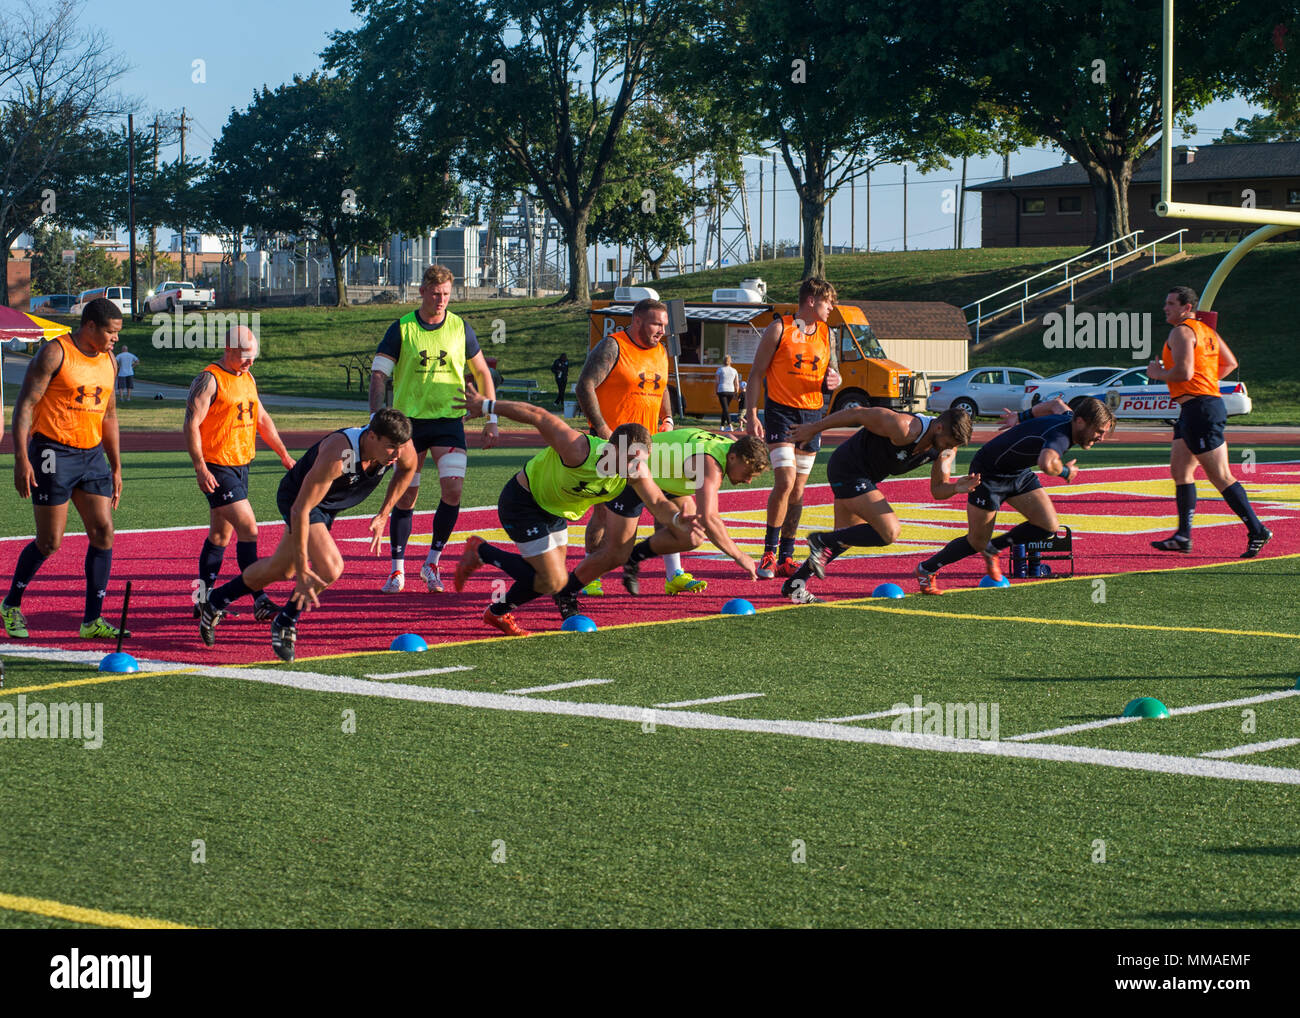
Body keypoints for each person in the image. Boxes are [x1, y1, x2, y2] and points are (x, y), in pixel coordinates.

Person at [452, 392, 704, 636]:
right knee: (552, 580)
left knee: (547, 578)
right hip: (523, 503)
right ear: (611, 448)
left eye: (638, 462)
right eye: (628, 459)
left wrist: (675, 519)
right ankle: (480, 551)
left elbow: (658, 501)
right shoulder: (578, 450)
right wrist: (486, 406)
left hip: (556, 512)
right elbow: (537, 414)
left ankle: (497, 612)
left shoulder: (635, 470)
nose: (632, 469)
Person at [199, 409, 418, 662]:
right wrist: (304, 568)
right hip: (300, 501)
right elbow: (301, 509)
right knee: (330, 567)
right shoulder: (341, 453)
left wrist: (383, 514)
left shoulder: (400, 445)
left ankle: (215, 600)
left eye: (400, 447)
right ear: (372, 437)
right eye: (391, 447)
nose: (397, 453)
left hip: (327, 505)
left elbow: (408, 468)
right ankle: (286, 621)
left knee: (281, 569)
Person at [2, 298, 126, 640]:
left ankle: (92, 620)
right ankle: (11, 604)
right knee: (49, 542)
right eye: (111, 332)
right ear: (90, 327)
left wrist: (116, 466)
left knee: (104, 533)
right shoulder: (55, 353)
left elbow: (110, 415)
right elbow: (25, 405)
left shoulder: (110, 361)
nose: (115, 339)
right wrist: (21, 458)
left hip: (91, 456)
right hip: (52, 453)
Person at [370, 264, 498, 595]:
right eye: (436, 293)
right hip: (408, 424)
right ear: (422, 292)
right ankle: (397, 570)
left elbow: (482, 372)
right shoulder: (401, 328)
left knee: (453, 490)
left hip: (448, 422)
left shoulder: (460, 327)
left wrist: (491, 416)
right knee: (406, 496)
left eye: (446, 294)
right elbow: (379, 374)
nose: (441, 300)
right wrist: (377, 417)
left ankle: (432, 563)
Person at [914, 396, 1113, 594]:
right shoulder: (1060, 436)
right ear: (1080, 421)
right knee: (976, 542)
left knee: (1048, 526)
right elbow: (1046, 463)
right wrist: (1066, 472)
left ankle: (993, 548)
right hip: (988, 474)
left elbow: (1055, 404)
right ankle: (927, 569)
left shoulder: (1069, 416)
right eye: (1099, 431)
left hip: (1018, 473)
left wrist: (1021, 416)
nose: (1101, 438)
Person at [780, 406, 979, 603]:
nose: (948, 449)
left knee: (843, 537)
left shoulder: (947, 448)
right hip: (847, 468)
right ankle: (819, 540)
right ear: (938, 428)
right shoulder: (904, 426)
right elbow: (856, 412)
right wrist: (814, 428)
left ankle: (795, 585)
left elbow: (937, 490)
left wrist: (955, 488)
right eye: (948, 443)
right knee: (889, 531)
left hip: (866, 477)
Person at [577, 297, 704, 596]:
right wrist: (605, 430)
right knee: (604, 514)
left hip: (652, 443)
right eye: (656, 324)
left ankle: (675, 574)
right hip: (613, 445)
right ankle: (588, 573)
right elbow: (585, 385)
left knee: (668, 505)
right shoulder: (613, 346)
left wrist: (668, 418)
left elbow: (661, 388)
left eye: (664, 325)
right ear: (637, 321)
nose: (662, 330)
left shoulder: (660, 351)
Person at [571, 428, 770, 611]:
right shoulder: (710, 465)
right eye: (747, 473)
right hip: (633, 477)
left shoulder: (730, 445)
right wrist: (738, 555)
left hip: (667, 480)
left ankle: (634, 557)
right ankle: (568, 587)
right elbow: (708, 518)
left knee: (692, 535)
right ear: (733, 457)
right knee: (615, 553)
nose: (748, 480)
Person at [1147, 286, 1271, 557]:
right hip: (1196, 408)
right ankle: (1182, 535)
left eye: (1170, 303)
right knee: (1180, 471)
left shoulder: (1181, 331)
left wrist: (1158, 373)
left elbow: (1183, 372)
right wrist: (1204, 380)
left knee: (1220, 476)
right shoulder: (1206, 331)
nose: (1165, 308)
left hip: (1200, 409)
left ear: (1186, 307)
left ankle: (1257, 529)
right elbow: (1229, 363)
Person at [184, 325, 296, 622]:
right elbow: (191, 423)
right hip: (217, 467)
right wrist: (200, 467)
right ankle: (259, 599)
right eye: (246, 356)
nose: (250, 362)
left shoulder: (247, 376)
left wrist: (283, 454)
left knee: (220, 535)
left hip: (241, 464)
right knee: (249, 529)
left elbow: (261, 418)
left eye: (253, 357)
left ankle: (203, 600)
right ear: (229, 349)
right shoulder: (209, 379)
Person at [743, 277, 842, 579]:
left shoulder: (828, 334)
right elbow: (756, 373)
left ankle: (787, 555)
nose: (832, 307)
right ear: (811, 300)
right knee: (785, 483)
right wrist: (751, 413)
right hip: (781, 414)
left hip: (813, 416)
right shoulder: (779, 328)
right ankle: (769, 553)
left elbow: (833, 373)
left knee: (798, 490)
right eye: (828, 302)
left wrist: (836, 380)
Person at [715, 355, 740, 429]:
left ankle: (730, 424)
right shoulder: (734, 370)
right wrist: (736, 392)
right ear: (730, 361)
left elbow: (717, 382)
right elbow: (737, 383)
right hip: (731, 391)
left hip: (722, 390)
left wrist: (716, 391)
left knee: (725, 408)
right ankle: (722, 425)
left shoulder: (720, 370)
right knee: (725, 408)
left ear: (723, 361)